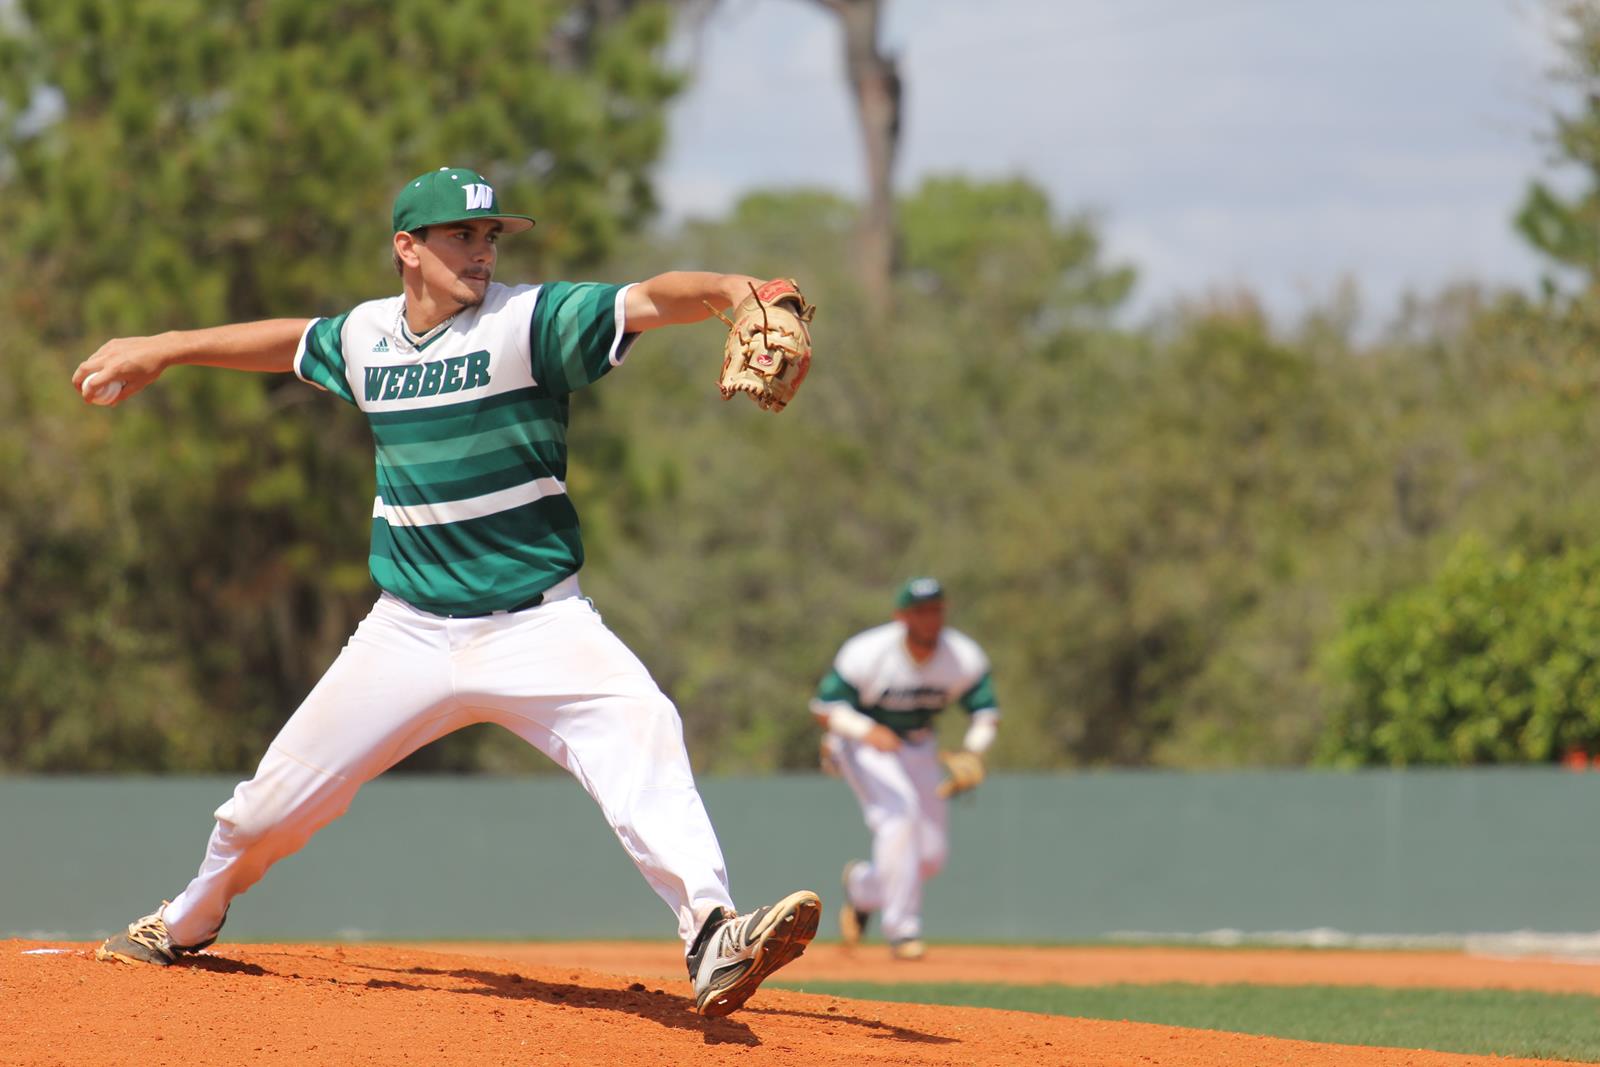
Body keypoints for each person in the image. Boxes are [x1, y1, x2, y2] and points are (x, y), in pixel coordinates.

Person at [76, 167, 820, 1018]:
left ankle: (712, 933)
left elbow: (647, 299)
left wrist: (732, 289)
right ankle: (186, 919)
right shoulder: (365, 339)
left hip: (539, 624)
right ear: (408, 248)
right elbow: (288, 340)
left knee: (643, 728)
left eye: (491, 236)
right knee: (265, 811)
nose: (482, 251)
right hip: (408, 633)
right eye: (462, 235)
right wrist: (166, 345)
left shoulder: (529, 321)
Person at [810, 577, 999, 961]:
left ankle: (864, 888)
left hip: (918, 744)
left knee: (929, 856)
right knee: (899, 815)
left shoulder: (961, 656)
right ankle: (902, 930)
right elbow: (825, 707)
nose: (930, 619)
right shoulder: (869, 651)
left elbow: (985, 712)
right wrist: (865, 730)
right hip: (865, 743)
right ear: (902, 616)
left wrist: (975, 751)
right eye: (921, 611)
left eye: (936, 610)